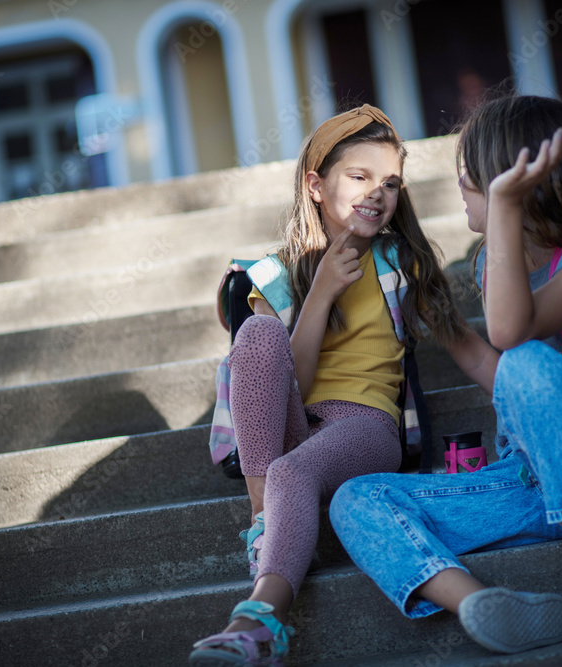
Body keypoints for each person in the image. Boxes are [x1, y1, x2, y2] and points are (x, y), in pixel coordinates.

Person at [329, 94, 562, 654]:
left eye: (468, 180)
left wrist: (503, 210)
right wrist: (443, 323)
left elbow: (515, 340)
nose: (459, 190)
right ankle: (479, 604)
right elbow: (505, 377)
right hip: (534, 481)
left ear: (509, 187)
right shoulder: (494, 264)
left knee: (529, 358)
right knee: (355, 499)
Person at [189, 105, 498, 666]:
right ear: (315, 184)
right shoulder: (275, 273)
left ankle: (259, 618)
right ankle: (265, 521)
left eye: (391, 183)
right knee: (258, 334)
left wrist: (532, 393)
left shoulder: (402, 263)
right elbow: (294, 381)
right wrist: (323, 290)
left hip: (365, 424)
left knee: (293, 471)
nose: (378, 193)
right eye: (360, 176)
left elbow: (469, 350)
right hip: (291, 423)